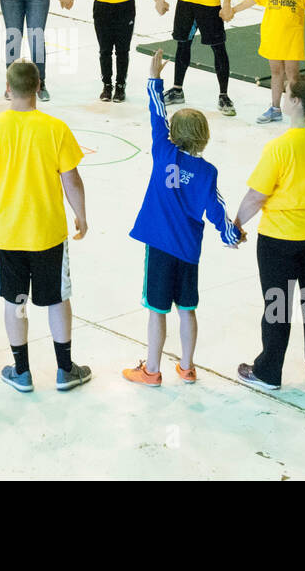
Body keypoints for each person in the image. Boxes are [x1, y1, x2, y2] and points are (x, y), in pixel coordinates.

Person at [0, 60, 91, 393]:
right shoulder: (55, 128)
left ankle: (21, 371)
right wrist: (81, 215)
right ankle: (65, 370)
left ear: (7, 89)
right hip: (47, 232)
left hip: (7, 234)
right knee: (57, 299)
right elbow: (72, 181)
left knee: (15, 302)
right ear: (38, 87)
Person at [122, 50, 239, 387]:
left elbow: (156, 113)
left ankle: (152, 370)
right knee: (187, 308)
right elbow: (217, 210)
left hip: (159, 247)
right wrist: (230, 235)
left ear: (174, 133)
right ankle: (187, 367)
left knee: (156, 310)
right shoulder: (207, 172)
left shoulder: (163, 149)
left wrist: (154, 78)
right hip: (188, 251)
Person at [232, 75, 305, 390]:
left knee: (277, 304)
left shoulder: (279, 148)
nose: (282, 96)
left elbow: (257, 196)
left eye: (285, 93)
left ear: (296, 102)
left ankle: (269, 372)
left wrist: (237, 224)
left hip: (280, 239)